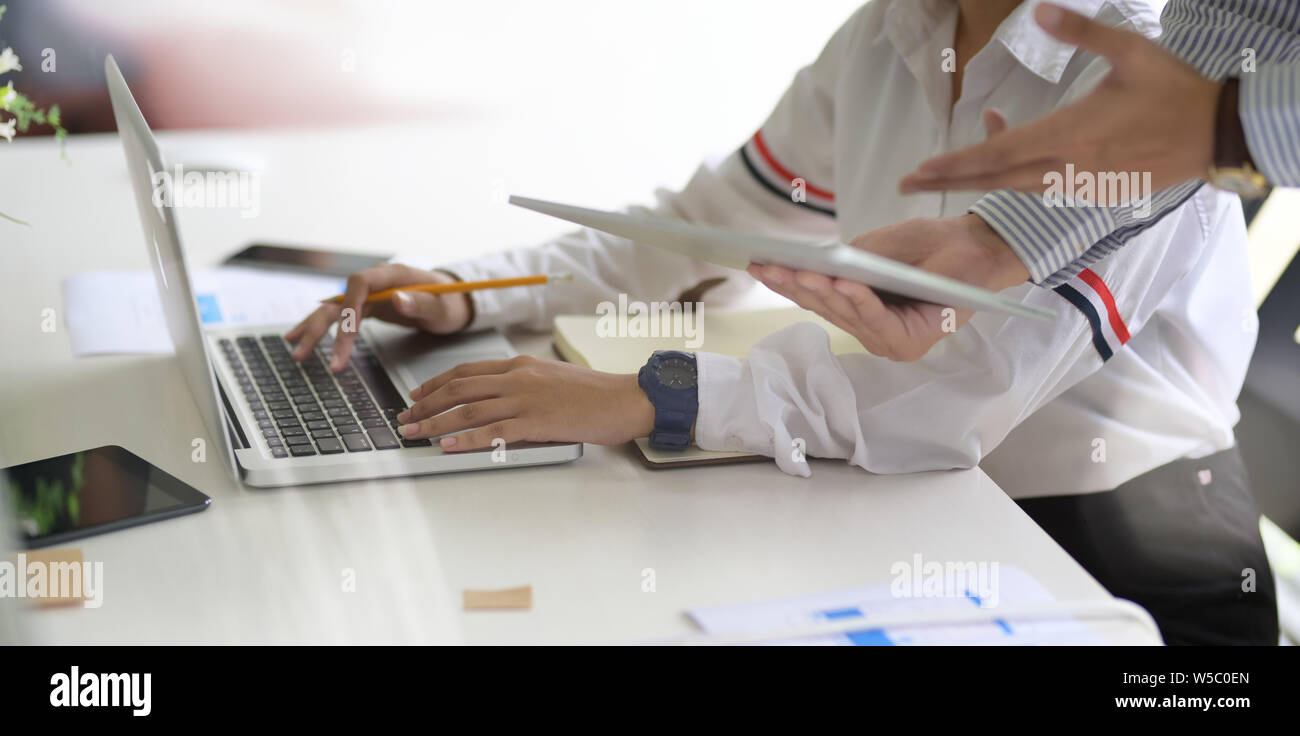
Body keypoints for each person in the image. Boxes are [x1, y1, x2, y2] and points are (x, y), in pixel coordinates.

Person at [287, 0, 1276, 644]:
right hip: (920, 510)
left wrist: (649, 396)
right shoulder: (892, 33)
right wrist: (463, 291)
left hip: (1135, 562)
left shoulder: (1155, 75)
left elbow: (970, 390)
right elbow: (703, 232)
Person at [759, 0, 1300, 362]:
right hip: (915, 481)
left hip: (1113, 511)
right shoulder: (887, 24)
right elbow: (1257, 32)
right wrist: (996, 240)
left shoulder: (1136, 51)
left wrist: (687, 394)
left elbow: (968, 394)